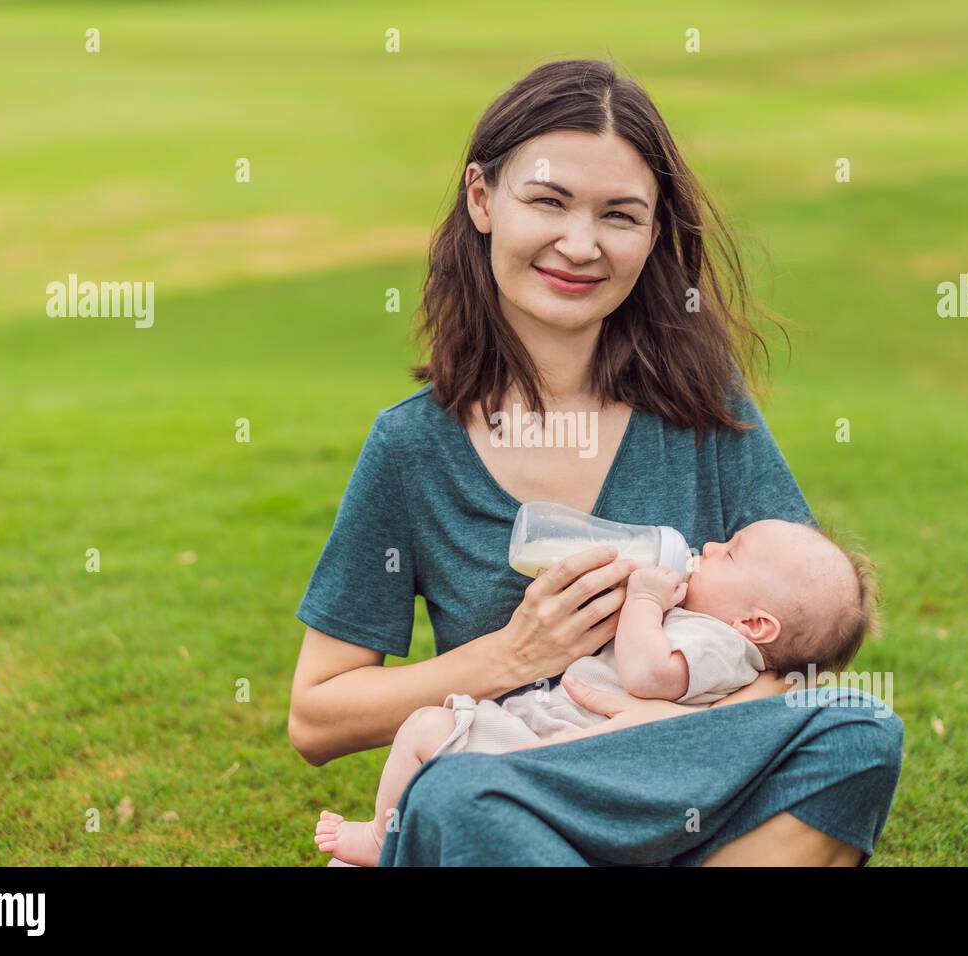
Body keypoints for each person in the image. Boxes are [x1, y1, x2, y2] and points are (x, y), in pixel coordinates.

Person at [288, 58, 904, 866]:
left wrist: (668, 721)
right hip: (522, 787)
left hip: (676, 786)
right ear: (483, 199)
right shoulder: (414, 448)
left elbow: (804, 642)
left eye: (619, 215)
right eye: (547, 202)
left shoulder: (701, 409)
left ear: (652, 236)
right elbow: (317, 717)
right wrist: (515, 655)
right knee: (454, 796)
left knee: (859, 730)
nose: (579, 246)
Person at [312, 519, 881, 866]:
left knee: (433, 743)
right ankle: (394, 834)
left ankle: (389, 839)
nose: (707, 545)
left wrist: (643, 601)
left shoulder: (719, 645)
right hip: (559, 743)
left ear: (756, 625)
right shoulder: (708, 624)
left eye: (727, 552)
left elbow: (647, 675)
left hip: (576, 753)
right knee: (429, 737)